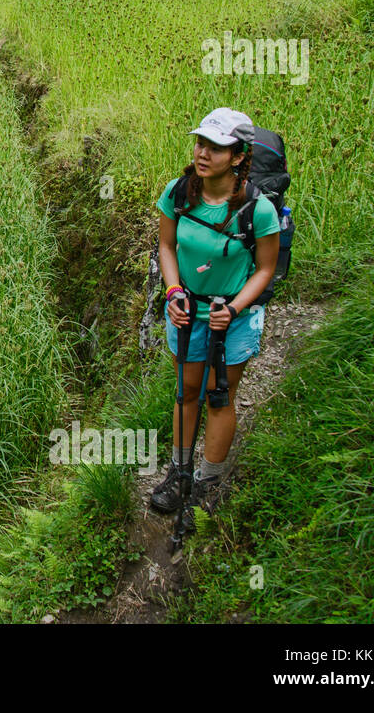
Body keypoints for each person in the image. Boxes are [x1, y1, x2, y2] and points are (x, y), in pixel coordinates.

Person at [149, 107, 280, 527]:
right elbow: (167, 247)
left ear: (239, 155)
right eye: (201, 143)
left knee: (218, 394)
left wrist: (235, 308)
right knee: (187, 390)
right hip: (187, 309)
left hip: (234, 314)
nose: (203, 153)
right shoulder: (178, 192)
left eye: (216, 147)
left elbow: (265, 269)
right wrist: (172, 292)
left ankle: (206, 483)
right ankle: (180, 472)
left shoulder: (258, 211)